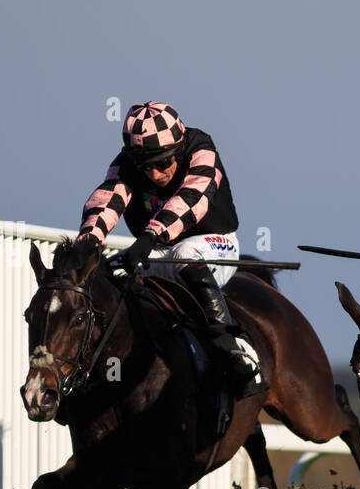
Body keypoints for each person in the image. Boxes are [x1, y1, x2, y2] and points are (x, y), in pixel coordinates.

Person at [73, 101, 260, 393]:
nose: (154, 174)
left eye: (162, 162)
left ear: (179, 147)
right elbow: (107, 201)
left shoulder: (200, 147)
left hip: (214, 244)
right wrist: (86, 245)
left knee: (186, 254)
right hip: (161, 248)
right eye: (145, 165)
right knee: (106, 274)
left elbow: (192, 197)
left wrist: (148, 236)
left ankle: (229, 347)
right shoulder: (125, 165)